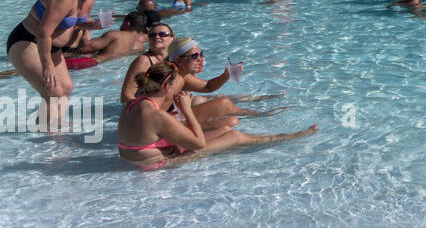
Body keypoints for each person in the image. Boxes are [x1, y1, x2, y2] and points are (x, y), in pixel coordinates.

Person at [116, 60, 317, 170]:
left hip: (135, 157)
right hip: (153, 164)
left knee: (225, 128)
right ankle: (291, 137)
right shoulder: (158, 116)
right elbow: (199, 144)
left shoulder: (135, 103)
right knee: (234, 136)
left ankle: (282, 137)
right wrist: (186, 110)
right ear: (167, 86)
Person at [6, 0, 114, 129]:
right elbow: (44, 33)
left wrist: (93, 25)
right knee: (53, 92)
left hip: (51, 45)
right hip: (29, 41)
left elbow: (79, 22)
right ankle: (45, 136)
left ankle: (53, 128)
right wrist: (47, 64)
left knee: (66, 88)